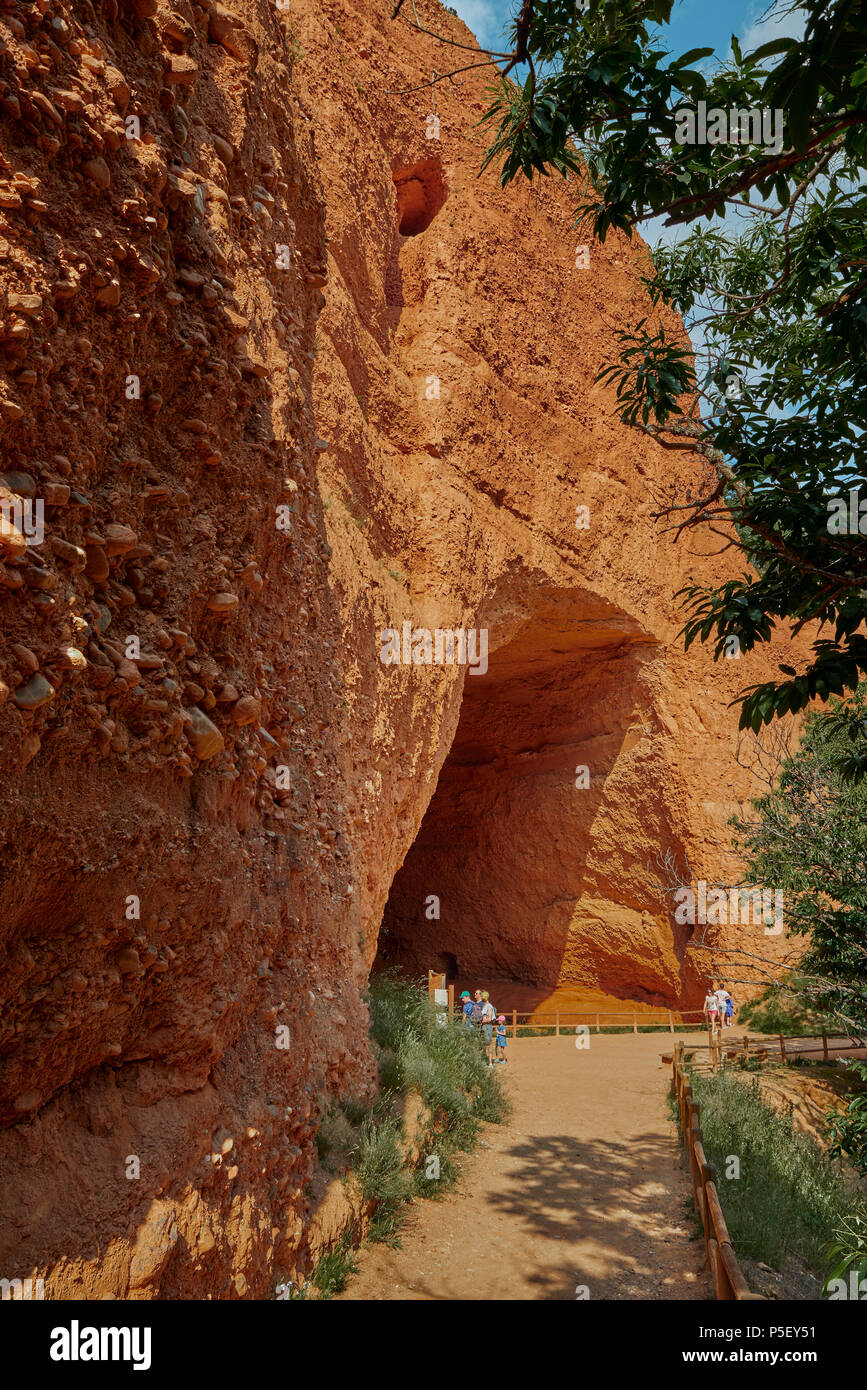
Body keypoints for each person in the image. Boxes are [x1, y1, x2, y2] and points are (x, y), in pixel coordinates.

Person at [480, 991, 496, 1064]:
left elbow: (489, 1018)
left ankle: (490, 1063)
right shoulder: (485, 1005)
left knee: (488, 1044)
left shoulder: (489, 1006)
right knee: (484, 1044)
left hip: (487, 1026)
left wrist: (481, 1022)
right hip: (484, 1026)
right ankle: (486, 1061)